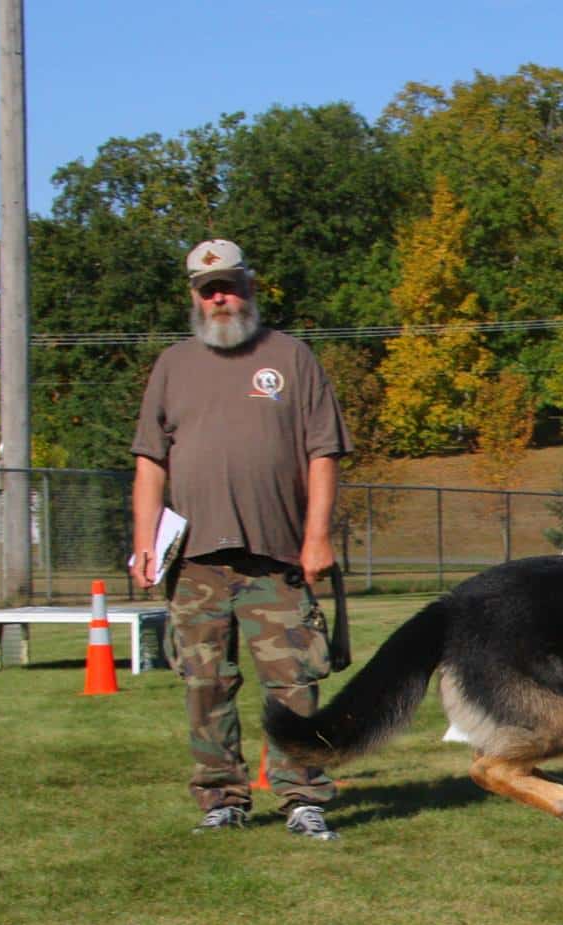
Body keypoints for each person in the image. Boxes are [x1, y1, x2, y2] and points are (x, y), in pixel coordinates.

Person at [129, 238, 351, 840]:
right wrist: (144, 542)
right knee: (205, 687)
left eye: (228, 285)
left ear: (248, 286)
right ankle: (222, 800)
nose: (220, 298)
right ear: (194, 297)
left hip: (276, 559)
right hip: (195, 564)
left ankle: (303, 798)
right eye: (208, 291)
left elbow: (323, 453)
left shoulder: (292, 357)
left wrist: (317, 537)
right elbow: (150, 462)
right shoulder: (173, 366)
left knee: (295, 685)